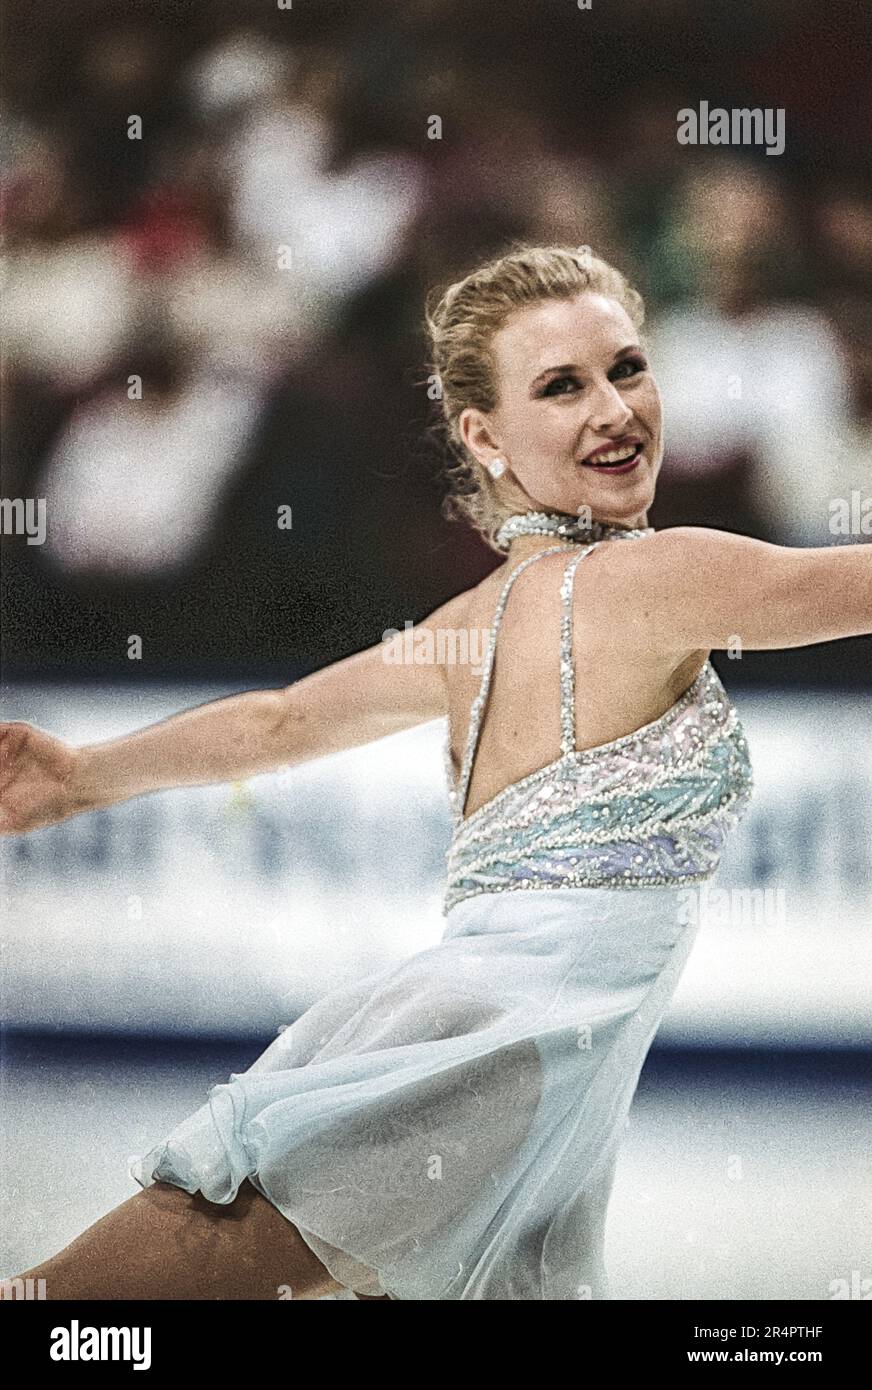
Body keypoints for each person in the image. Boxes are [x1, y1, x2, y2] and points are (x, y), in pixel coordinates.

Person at [1, 244, 870, 1302]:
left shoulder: (467, 623)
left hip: (516, 1069)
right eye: (560, 386)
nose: (613, 409)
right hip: (485, 1061)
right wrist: (78, 776)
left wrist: (85, 776)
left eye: (626, 368)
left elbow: (282, 725)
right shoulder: (660, 573)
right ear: (483, 435)